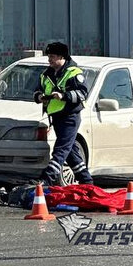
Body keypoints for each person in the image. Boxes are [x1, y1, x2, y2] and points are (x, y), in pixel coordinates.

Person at [33, 42, 93, 186]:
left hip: (70, 116)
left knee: (60, 149)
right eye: (49, 56)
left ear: (61, 57)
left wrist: (63, 96)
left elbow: (83, 93)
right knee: (71, 152)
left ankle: (46, 179)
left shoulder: (73, 73)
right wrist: (39, 97)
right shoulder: (46, 74)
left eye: (52, 57)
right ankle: (87, 182)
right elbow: (36, 91)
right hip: (56, 117)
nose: (49, 59)